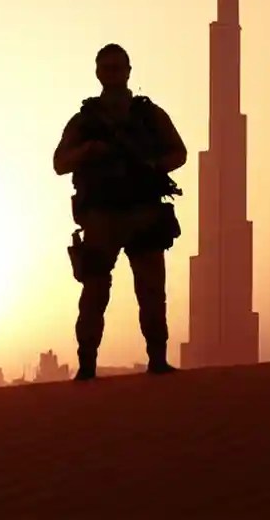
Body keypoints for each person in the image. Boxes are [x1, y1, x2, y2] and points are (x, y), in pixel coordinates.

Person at [53, 43, 187, 380]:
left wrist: (152, 165)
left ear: (128, 71)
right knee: (95, 292)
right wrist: (89, 150)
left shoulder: (147, 114)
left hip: (142, 212)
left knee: (152, 292)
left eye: (118, 68)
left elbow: (178, 153)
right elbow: (60, 163)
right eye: (107, 68)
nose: (113, 74)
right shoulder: (85, 120)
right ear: (98, 73)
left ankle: (157, 358)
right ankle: (87, 366)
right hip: (101, 216)